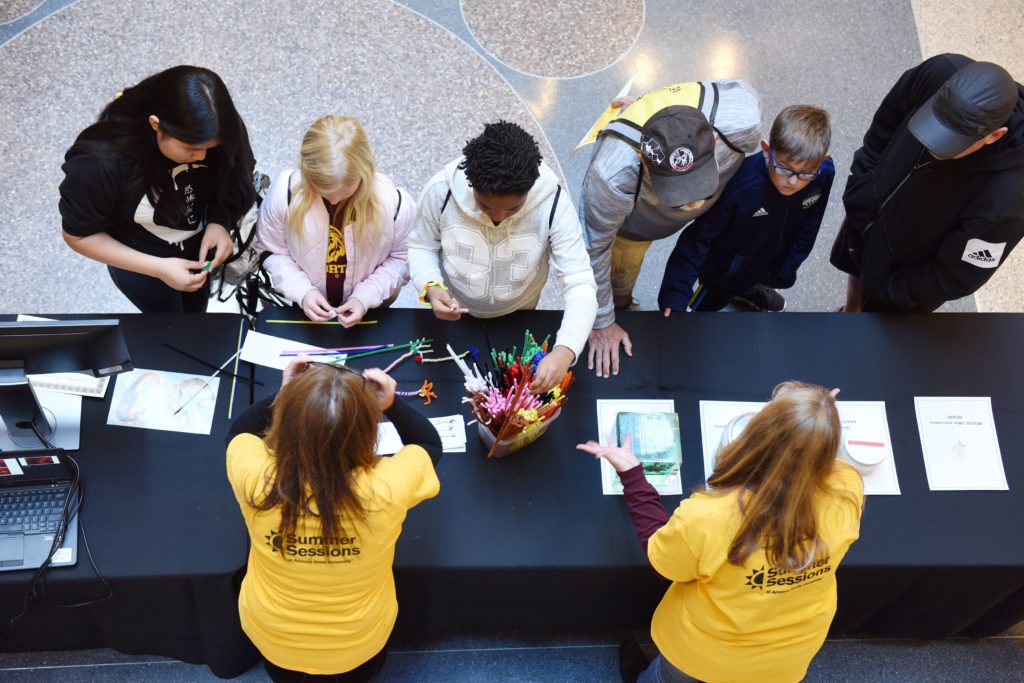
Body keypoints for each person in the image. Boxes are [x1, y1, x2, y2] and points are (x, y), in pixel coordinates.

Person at [578, 382, 863, 683]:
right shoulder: (848, 487)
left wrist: (633, 476)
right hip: (787, 656)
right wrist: (814, 422)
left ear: (755, 440)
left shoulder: (710, 515)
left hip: (704, 653)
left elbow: (663, 562)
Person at [226, 358, 441, 682]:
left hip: (274, 636)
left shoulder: (256, 479)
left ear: (285, 422)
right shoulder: (387, 488)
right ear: (368, 432)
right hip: (360, 639)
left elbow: (239, 433)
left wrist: (286, 394)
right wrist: (391, 403)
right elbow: (428, 444)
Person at [579, 80, 762, 377]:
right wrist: (602, 320)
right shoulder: (611, 176)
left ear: (714, 139)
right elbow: (594, 247)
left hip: (715, 219)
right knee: (619, 279)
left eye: (698, 185)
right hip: (634, 229)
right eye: (677, 191)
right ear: (644, 162)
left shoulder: (741, 119)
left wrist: (652, 104)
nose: (692, 206)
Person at [408, 121, 597, 394]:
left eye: (513, 208)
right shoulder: (441, 191)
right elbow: (421, 245)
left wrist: (565, 350)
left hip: (520, 314)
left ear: (530, 190)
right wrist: (431, 286)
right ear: (470, 182)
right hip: (454, 313)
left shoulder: (553, 203)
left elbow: (579, 281)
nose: (497, 217)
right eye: (485, 206)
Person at [831, 54, 1024, 312]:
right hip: (867, 216)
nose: (932, 144)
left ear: (994, 136)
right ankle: (849, 312)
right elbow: (885, 123)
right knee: (854, 275)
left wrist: (890, 288)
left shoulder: (1006, 201)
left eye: (950, 142)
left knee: (875, 331)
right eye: (931, 125)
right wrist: (863, 187)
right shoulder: (940, 72)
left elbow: (956, 275)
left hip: (904, 275)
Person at [60, 65, 256, 313]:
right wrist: (159, 268)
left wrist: (219, 221)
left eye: (211, 146)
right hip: (141, 263)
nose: (202, 156)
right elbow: (79, 235)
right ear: (156, 124)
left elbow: (237, 172)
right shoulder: (100, 162)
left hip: (199, 250)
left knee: (196, 314)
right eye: (191, 148)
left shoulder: (218, 128)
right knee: (167, 325)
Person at [659, 105, 835, 314]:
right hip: (724, 274)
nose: (793, 182)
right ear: (767, 151)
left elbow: (812, 222)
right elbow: (699, 238)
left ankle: (750, 290)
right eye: (784, 168)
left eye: (805, 173)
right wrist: (675, 294)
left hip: (769, 262)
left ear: (822, 160)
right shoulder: (739, 183)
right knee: (707, 309)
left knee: (753, 278)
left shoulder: (824, 174)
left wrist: (788, 267)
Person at [256, 116, 415, 326]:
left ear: (364, 173)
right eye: (322, 191)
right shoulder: (284, 194)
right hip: (303, 302)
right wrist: (302, 291)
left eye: (344, 193)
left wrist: (365, 296)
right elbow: (270, 250)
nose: (334, 200)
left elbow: (403, 258)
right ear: (305, 171)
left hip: (375, 304)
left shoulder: (394, 203)